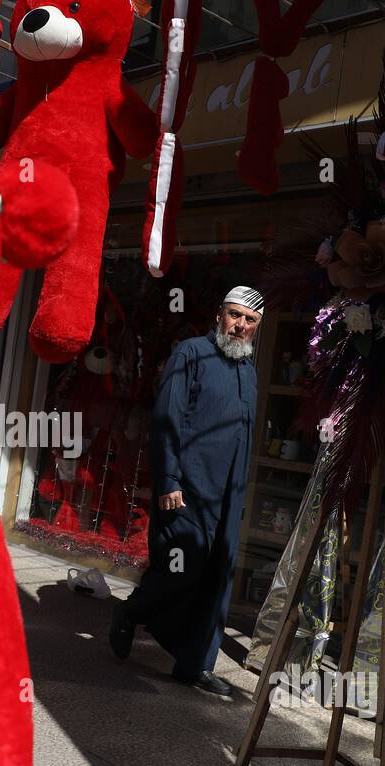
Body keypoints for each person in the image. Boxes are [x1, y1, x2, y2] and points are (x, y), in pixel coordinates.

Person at [108, 286, 262, 696]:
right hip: (188, 487)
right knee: (181, 567)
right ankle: (132, 611)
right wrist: (169, 480)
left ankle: (195, 666)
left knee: (216, 579)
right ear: (219, 315)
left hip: (228, 496)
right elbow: (166, 418)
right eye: (234, 315)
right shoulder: (191, 353)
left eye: (249, 321)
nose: (240, 326)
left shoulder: (249, 369)